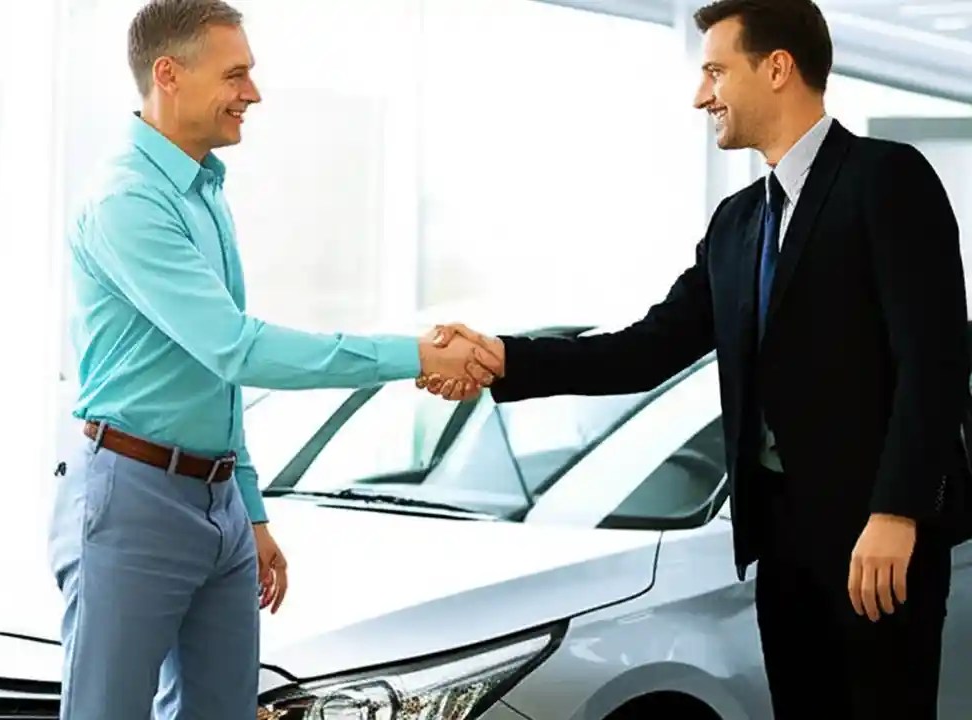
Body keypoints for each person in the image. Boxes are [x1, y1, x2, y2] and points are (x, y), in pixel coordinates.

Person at [420, 1, 970, 717]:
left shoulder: (887, 179)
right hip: (781, 547)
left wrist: (896, 513)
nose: (700, 94)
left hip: (876, 543)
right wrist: (503, 359)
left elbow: (933, 357)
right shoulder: (738, 221)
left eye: (714, 70)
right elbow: (648, 350)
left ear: (777, 69)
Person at [47, 1, 494, 718]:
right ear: (169, 74)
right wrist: (415, 355)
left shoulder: (205, 190)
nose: (252, 92)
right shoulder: (127, 199)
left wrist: (247, 508)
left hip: (216, 503)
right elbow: (238, 346)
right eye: (237, 73)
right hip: (132, 498)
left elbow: (210, 375)